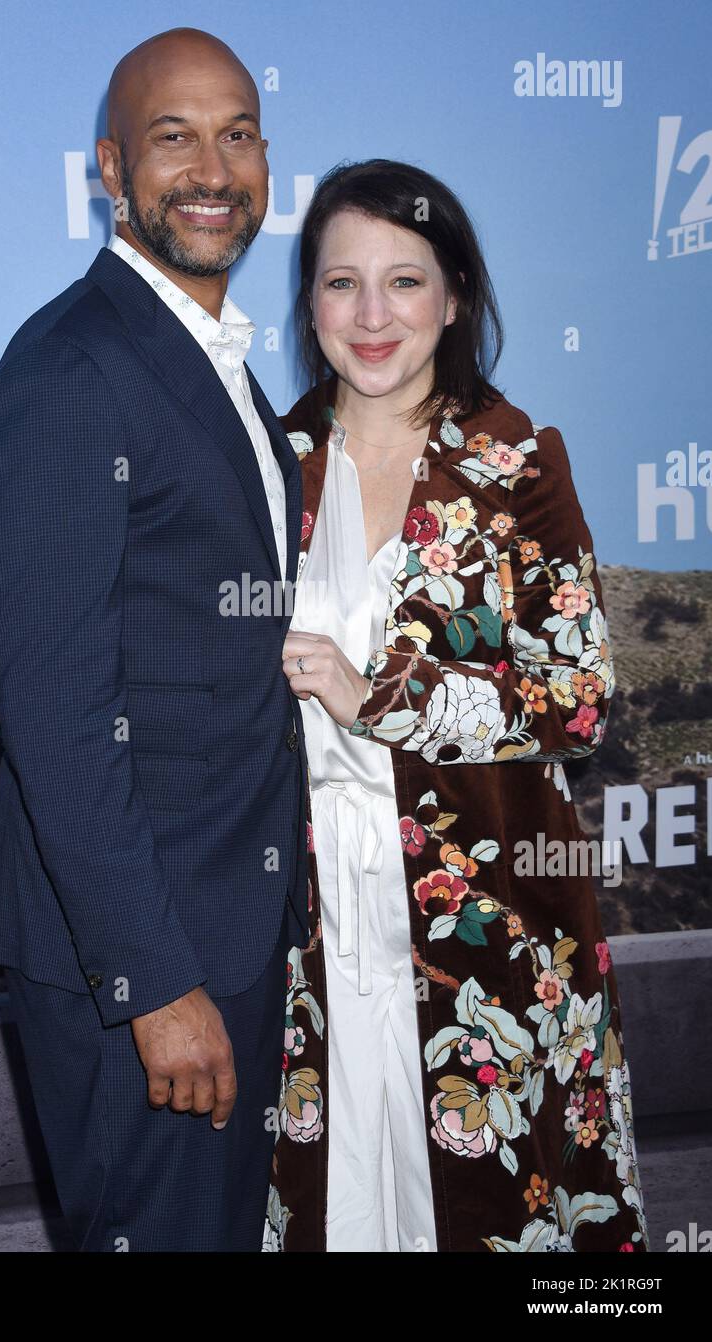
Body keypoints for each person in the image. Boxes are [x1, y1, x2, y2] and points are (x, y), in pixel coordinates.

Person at [265, 159, 650, 1254]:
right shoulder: (265, 463)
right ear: (310, 304)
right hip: (311, 945)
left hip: (494, 945)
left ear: (456, 295)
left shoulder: (518, 460)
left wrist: (382, 689)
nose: (373, 315)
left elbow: (580, 705)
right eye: (342, 283)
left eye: (405, 281)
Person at [0, 28, 311, 1252]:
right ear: (111, 168)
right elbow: (56, 713)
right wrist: (155, 985)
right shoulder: (74, 367)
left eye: (237, 134)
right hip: (146, 968)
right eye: (173, 137)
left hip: (225, 932)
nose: (210, 167)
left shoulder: (212, 364)